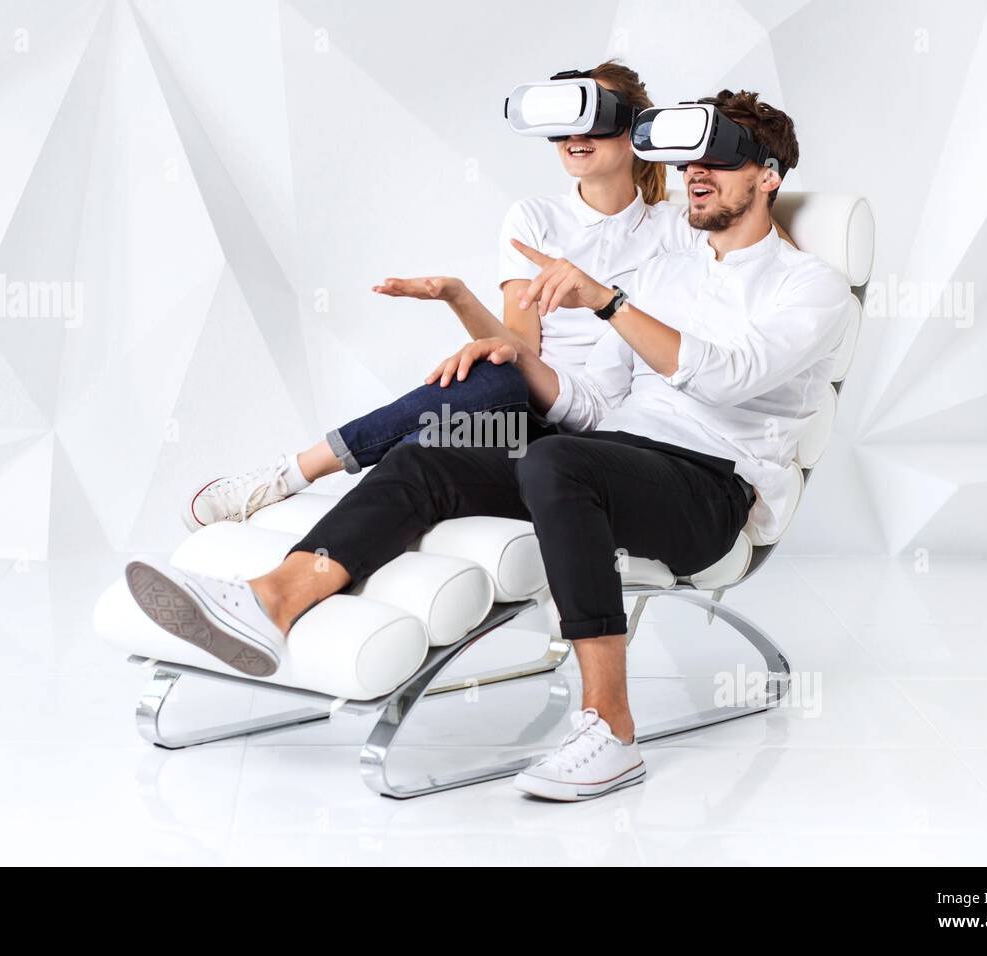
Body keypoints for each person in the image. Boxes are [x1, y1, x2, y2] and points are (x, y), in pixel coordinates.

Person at [127, 89, 854, 802]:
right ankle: (271, 601)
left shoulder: (810, 287)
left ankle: (611, 729)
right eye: (689, 159)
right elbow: (597, 405)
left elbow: (727, 377)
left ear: (769, 176)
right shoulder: (665, 273)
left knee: (557, 460)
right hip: (616, 456)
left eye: (719, 160)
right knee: (432, 452)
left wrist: (609, 302)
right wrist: (510, 357)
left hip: (711, 490)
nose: (696, 173)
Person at [180, 61, 690, 530]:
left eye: (593, 118)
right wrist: (459, 297)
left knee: (465, 408)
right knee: (465, 405)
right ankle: (295, 483)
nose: (575, 137)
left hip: (596, 438)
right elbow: (519, 351)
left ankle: (299, 478)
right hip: (522, 417)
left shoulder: (679, 229)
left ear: (634, 130)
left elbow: (753, 255)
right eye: (562, 122)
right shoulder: (534, 219)